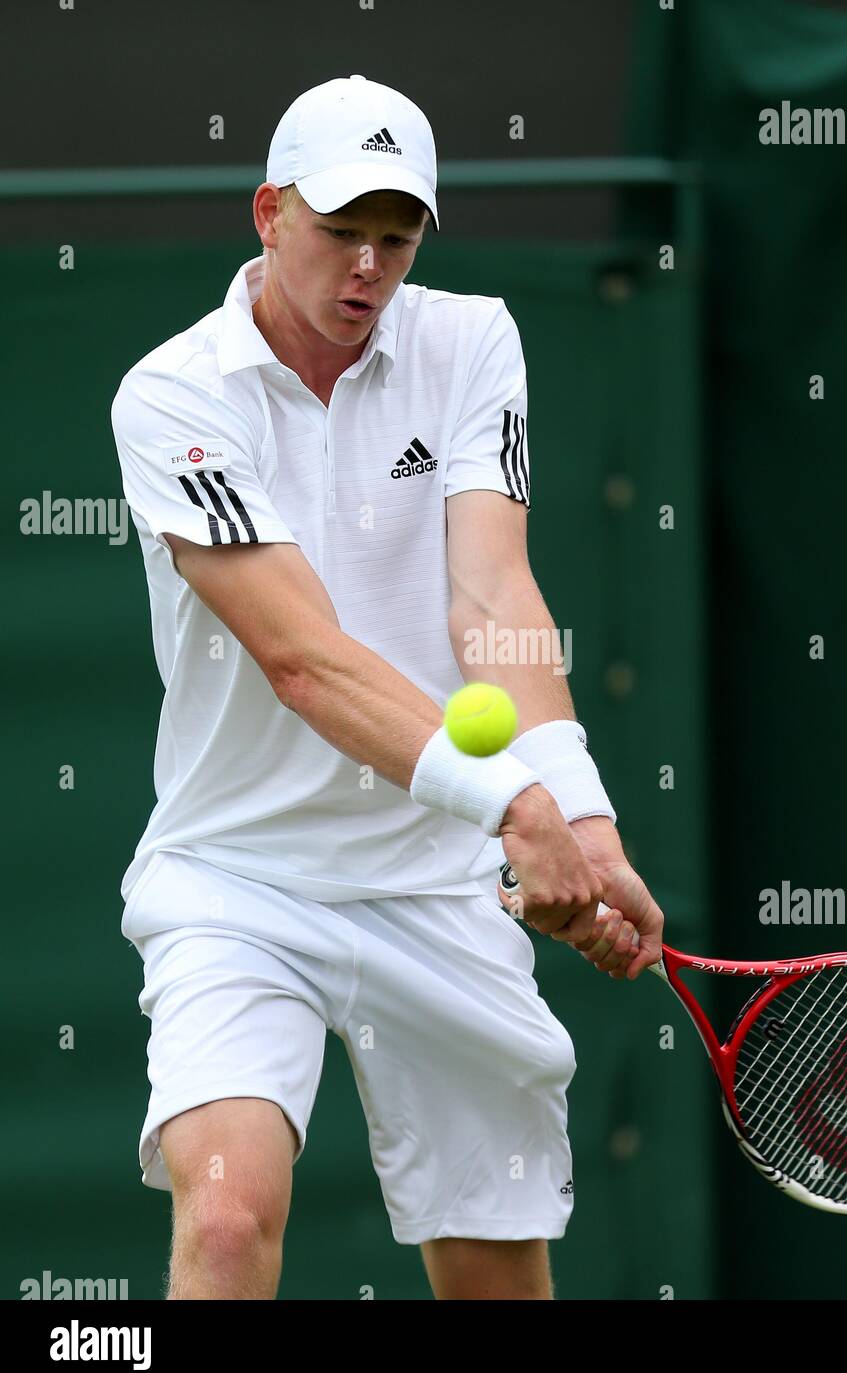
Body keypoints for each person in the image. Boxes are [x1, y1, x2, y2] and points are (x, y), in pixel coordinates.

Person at [111, 74, 664, 1301]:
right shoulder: (171, 397)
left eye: (396, 237)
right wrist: (516, 807)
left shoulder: (471, 342)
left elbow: (494, 601)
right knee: (223, 1225)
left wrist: (579, 814)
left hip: (438, 882)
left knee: (493, 1284)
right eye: (339, 229)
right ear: (267, 213)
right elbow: (303, 659)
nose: (368, 265)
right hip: (238, 877)